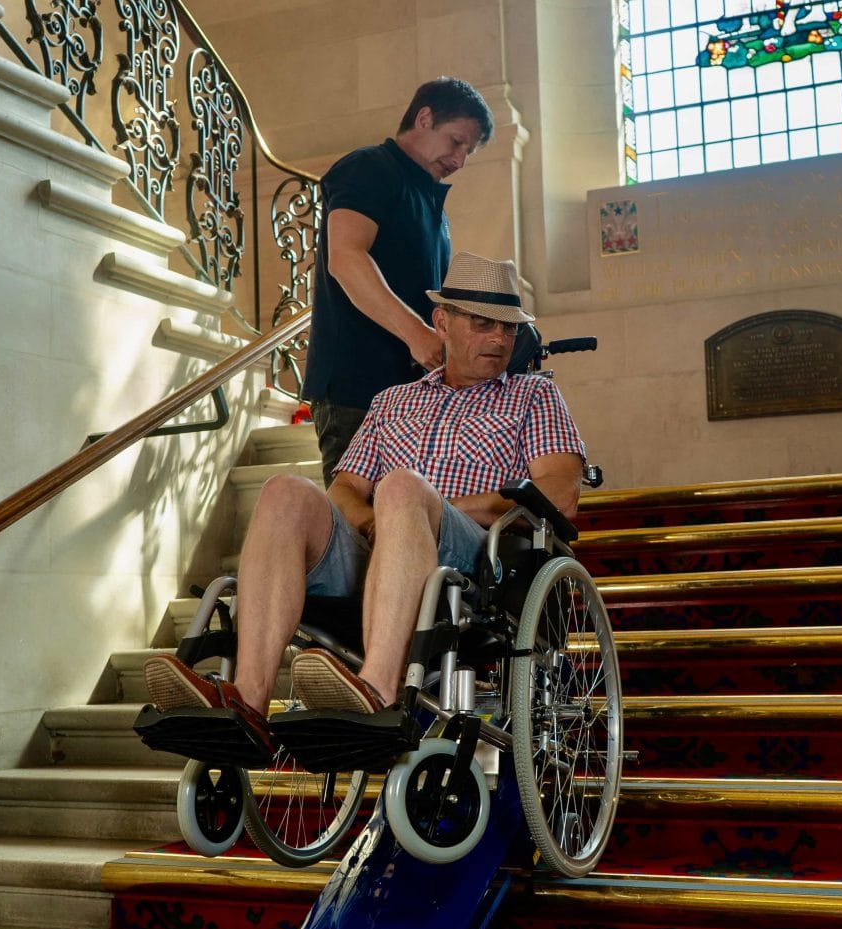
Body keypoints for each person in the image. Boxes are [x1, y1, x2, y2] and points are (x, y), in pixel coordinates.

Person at [142, 253, 585, 762]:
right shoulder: (393, 402)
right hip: (381, 545)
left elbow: (559, 494)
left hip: (474, 558)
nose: (499, 339)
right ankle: (249, 700)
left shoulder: (533, 396)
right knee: (286, 491)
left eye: (509, 328)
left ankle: (375, 690)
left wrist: (422, 507)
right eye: (483, 324)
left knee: (400, 486)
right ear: (441, 322)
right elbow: (344, 490)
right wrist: (378, 521)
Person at [305, 77, 495, 483]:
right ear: (424, 118)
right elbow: (346, 258)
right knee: (358, 534)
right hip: (357, 391)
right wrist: (418, 335)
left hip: (411, 395)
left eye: (469, 151)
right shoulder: (369, 167)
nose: (460, 160)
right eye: (457, 141)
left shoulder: (431, 202)